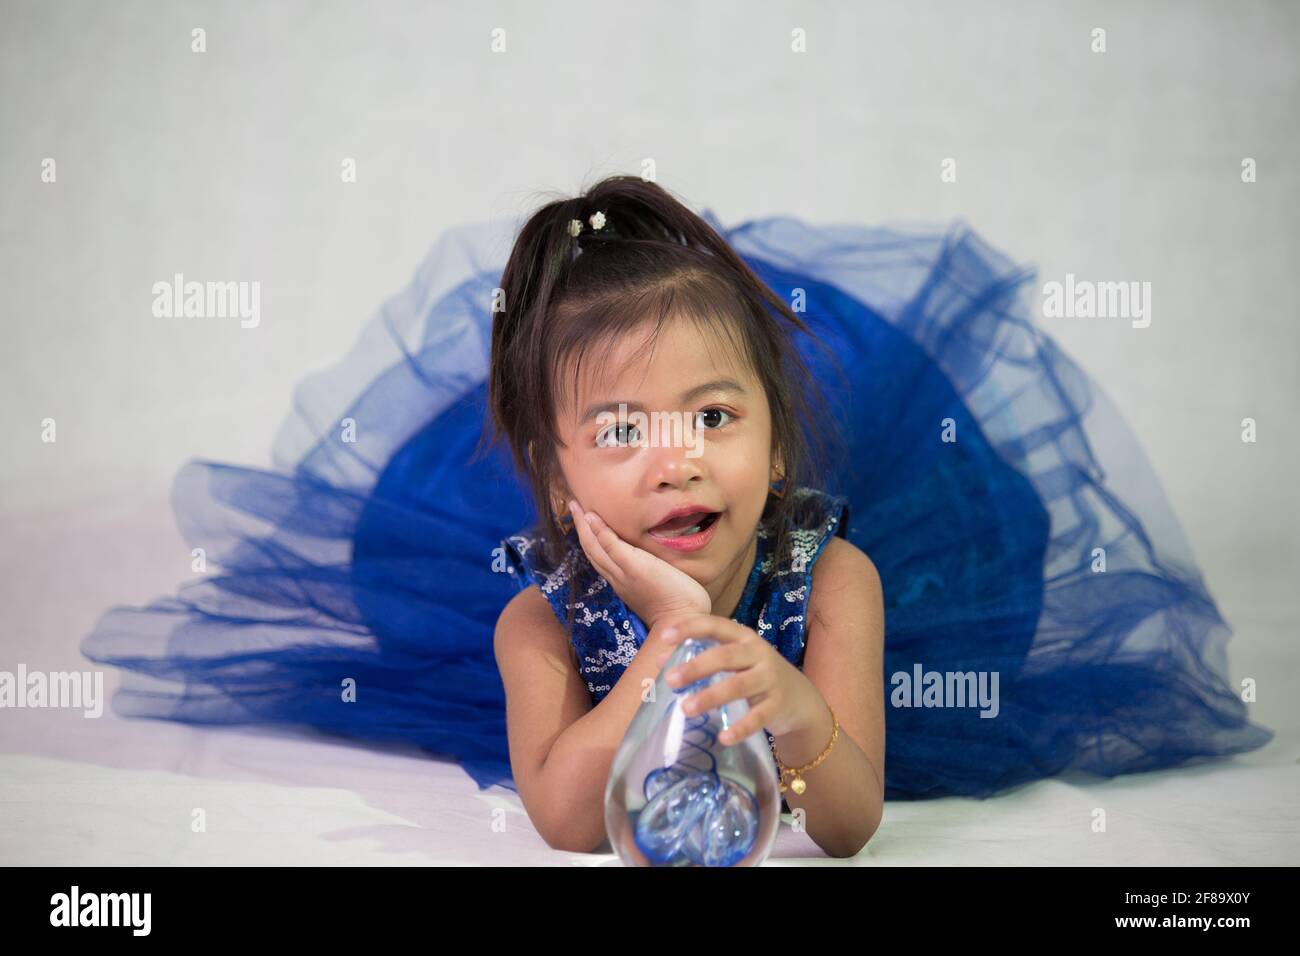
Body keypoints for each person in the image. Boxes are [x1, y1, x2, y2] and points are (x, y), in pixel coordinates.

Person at [81, 175, 1273, 854]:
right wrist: (668, 636)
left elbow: (848, 824)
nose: (676, 462)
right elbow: (562, 817)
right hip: (615, 649)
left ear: (772, 430)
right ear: (556, 481)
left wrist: (793, 700)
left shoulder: (833, 577)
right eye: (619, 432)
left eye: (714, 416)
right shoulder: (539, 626)